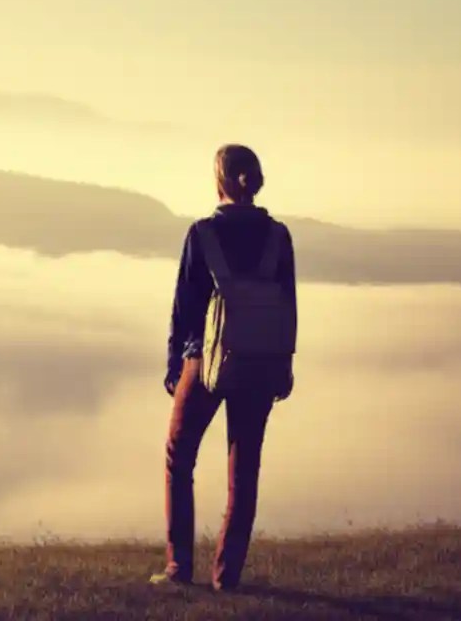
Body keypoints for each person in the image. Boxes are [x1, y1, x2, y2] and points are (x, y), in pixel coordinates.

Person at [150, 144, 297, 592]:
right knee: (244, 467)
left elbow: (185, 307)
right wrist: (284, 364)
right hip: (260, 362)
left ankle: (179, 569)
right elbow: (288, 306)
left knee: (180, 456)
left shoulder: (202, 235)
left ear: (220, 180)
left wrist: (176, 364)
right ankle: (226, 577)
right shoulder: (278, 237)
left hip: (206, 361)